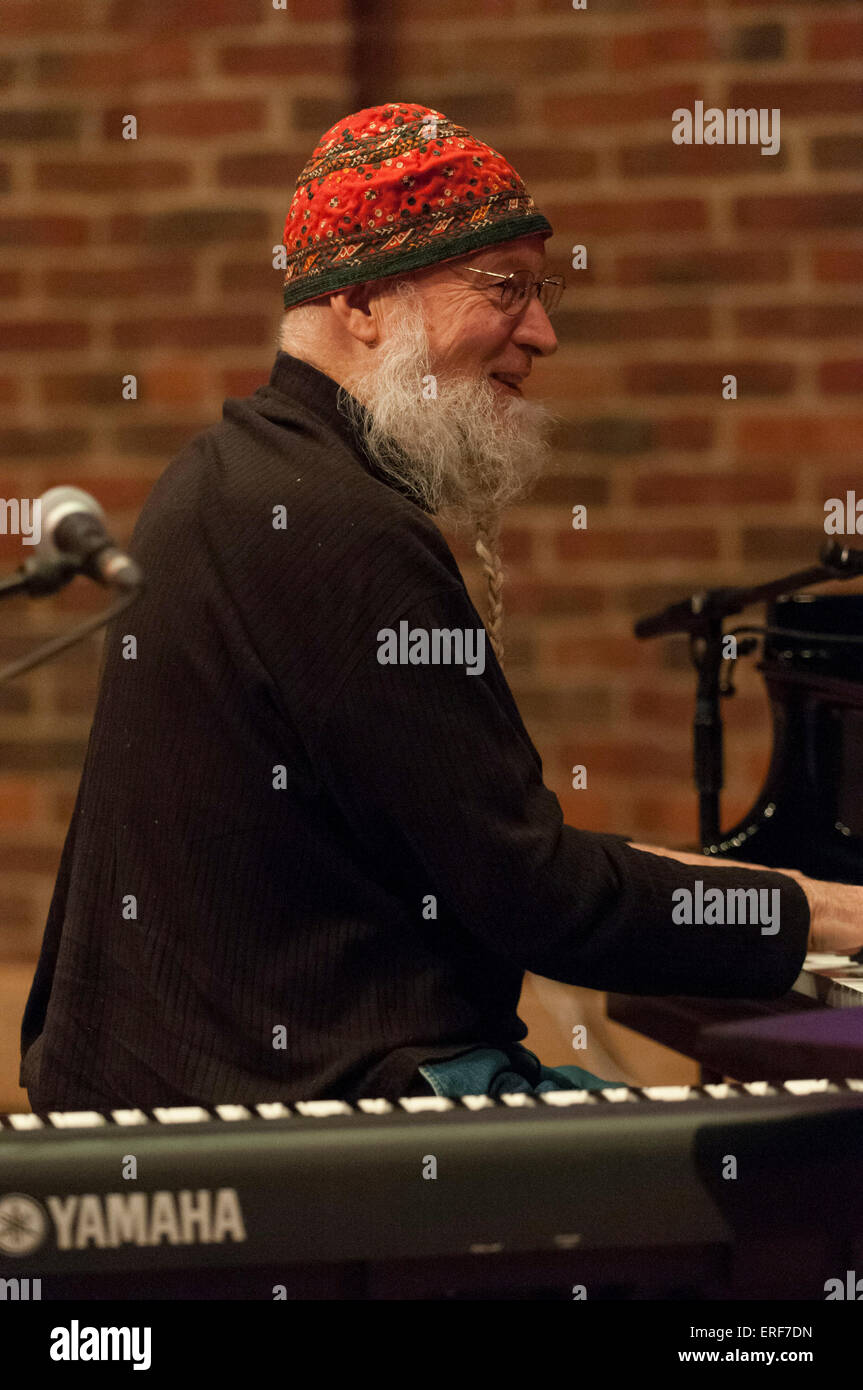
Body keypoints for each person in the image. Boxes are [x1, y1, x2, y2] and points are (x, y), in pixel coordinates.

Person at [19, 102, 863, 1111]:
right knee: (793, 1178)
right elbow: (533, 898)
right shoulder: (337, 528)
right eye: (503, 287)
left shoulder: (224, 475)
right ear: (364, 301)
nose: (542, 332)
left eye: (538, 290)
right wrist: (813, 908)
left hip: (208, 1087)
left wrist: (694, 879)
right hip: (316, 1120)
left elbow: (466, 843)